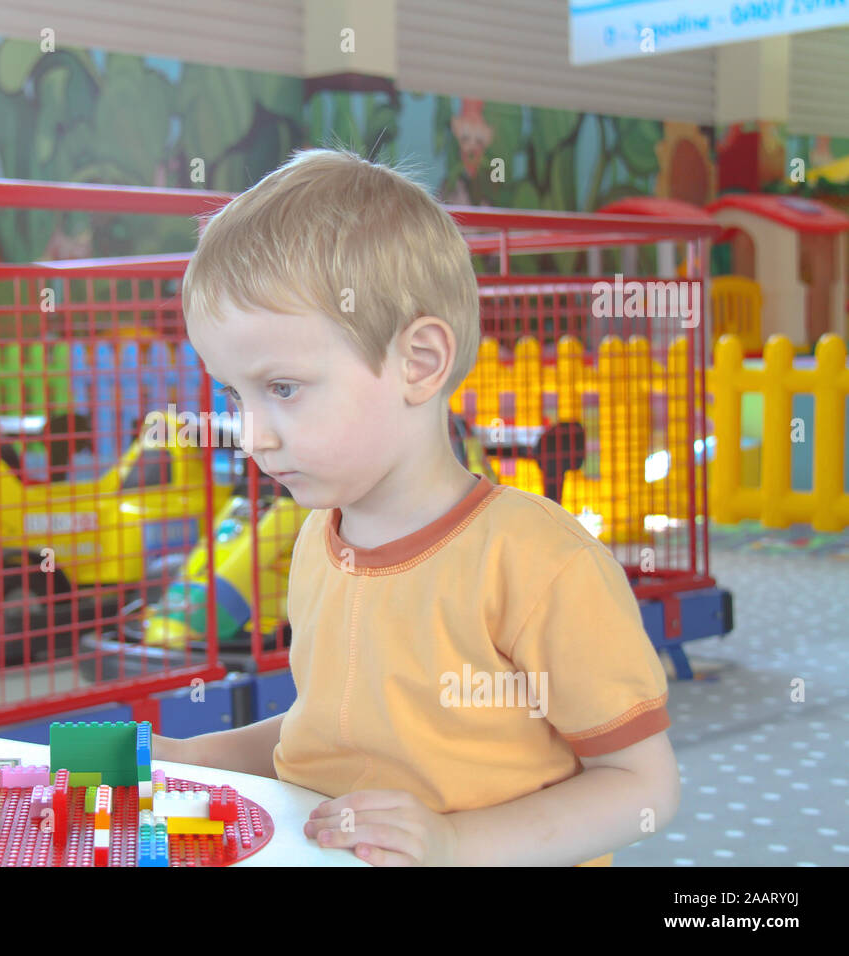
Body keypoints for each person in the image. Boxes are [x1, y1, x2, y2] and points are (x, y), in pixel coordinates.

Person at [152, 147, 679, 866]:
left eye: (281, 388)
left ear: (419, 363)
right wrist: (191, 757)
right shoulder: (316, 541)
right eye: (232, 395)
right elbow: (331, 736)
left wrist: (456, 840)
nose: (252, 436)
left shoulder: (539, 564)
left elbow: (642, 787)